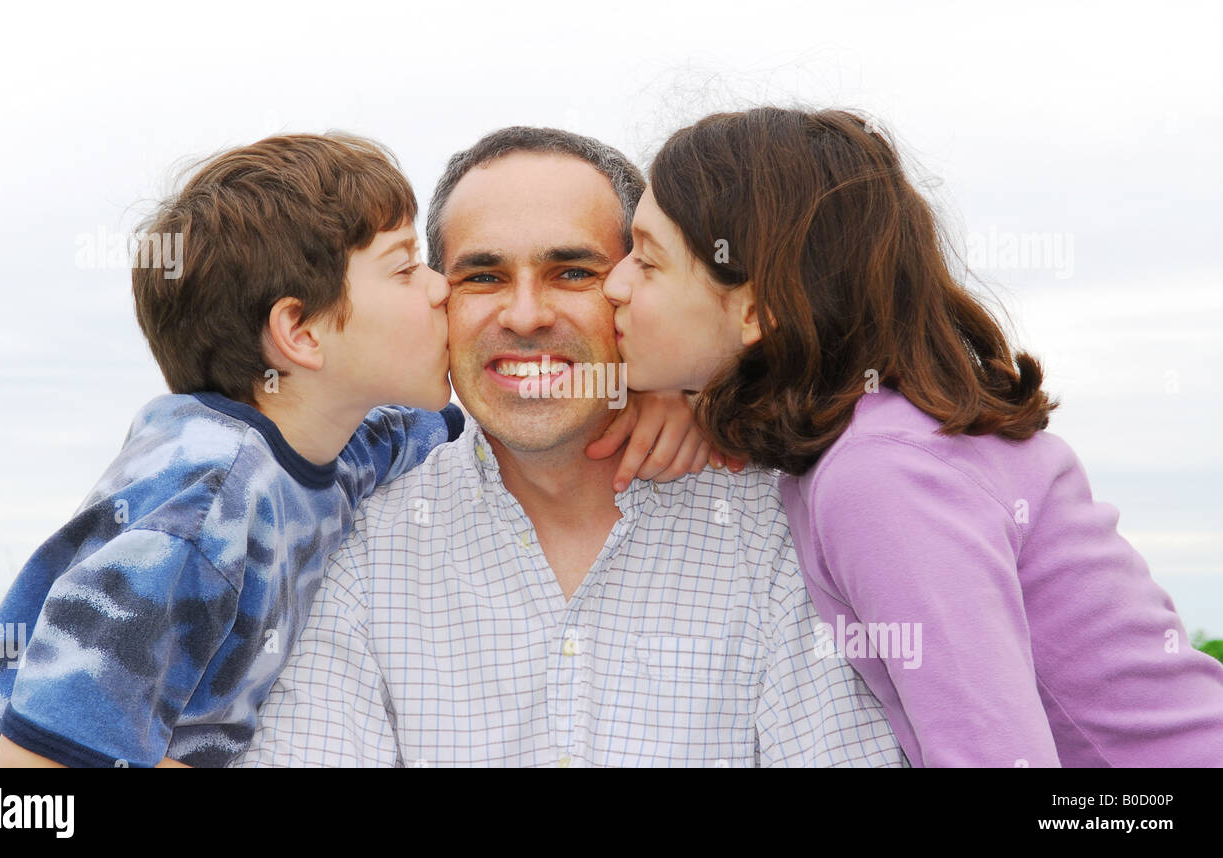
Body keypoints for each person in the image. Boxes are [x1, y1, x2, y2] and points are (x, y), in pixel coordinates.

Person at [0, 131, 698, 769]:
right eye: (409, 267)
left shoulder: (343, 449)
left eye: (573, 271)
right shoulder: (199, 503)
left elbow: (510, 412)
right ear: (301, 335)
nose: (443, 291)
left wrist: (670, 383)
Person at [230, 127, 908, 767]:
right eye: (483, 277)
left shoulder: (776, 527)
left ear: (637, 288)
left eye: (573, 272)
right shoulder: (368, 545)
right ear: (438, 301)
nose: (525, 316)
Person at [604, 106, 1223, 766]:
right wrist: (682, 397)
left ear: (760, 310)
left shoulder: (879, 476)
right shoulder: (892, 431)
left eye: (647, 261)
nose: (615, 283)